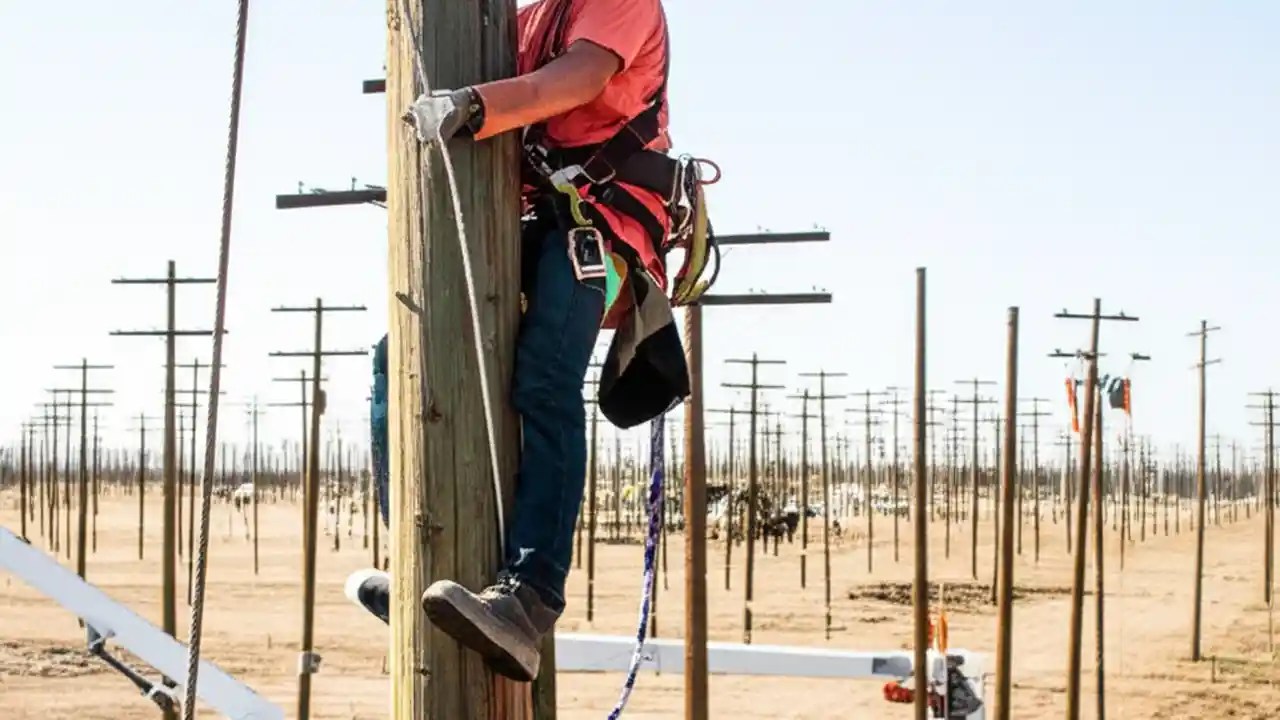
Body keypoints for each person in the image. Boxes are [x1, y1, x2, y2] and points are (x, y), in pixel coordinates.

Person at [346, 0, 700, 684]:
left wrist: (471, 105)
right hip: (533, 220)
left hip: (602, 223)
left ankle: (530, 597)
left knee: (543, 378)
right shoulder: (517, 14)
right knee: (403, 356)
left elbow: (571, 83)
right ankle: (415, 558)